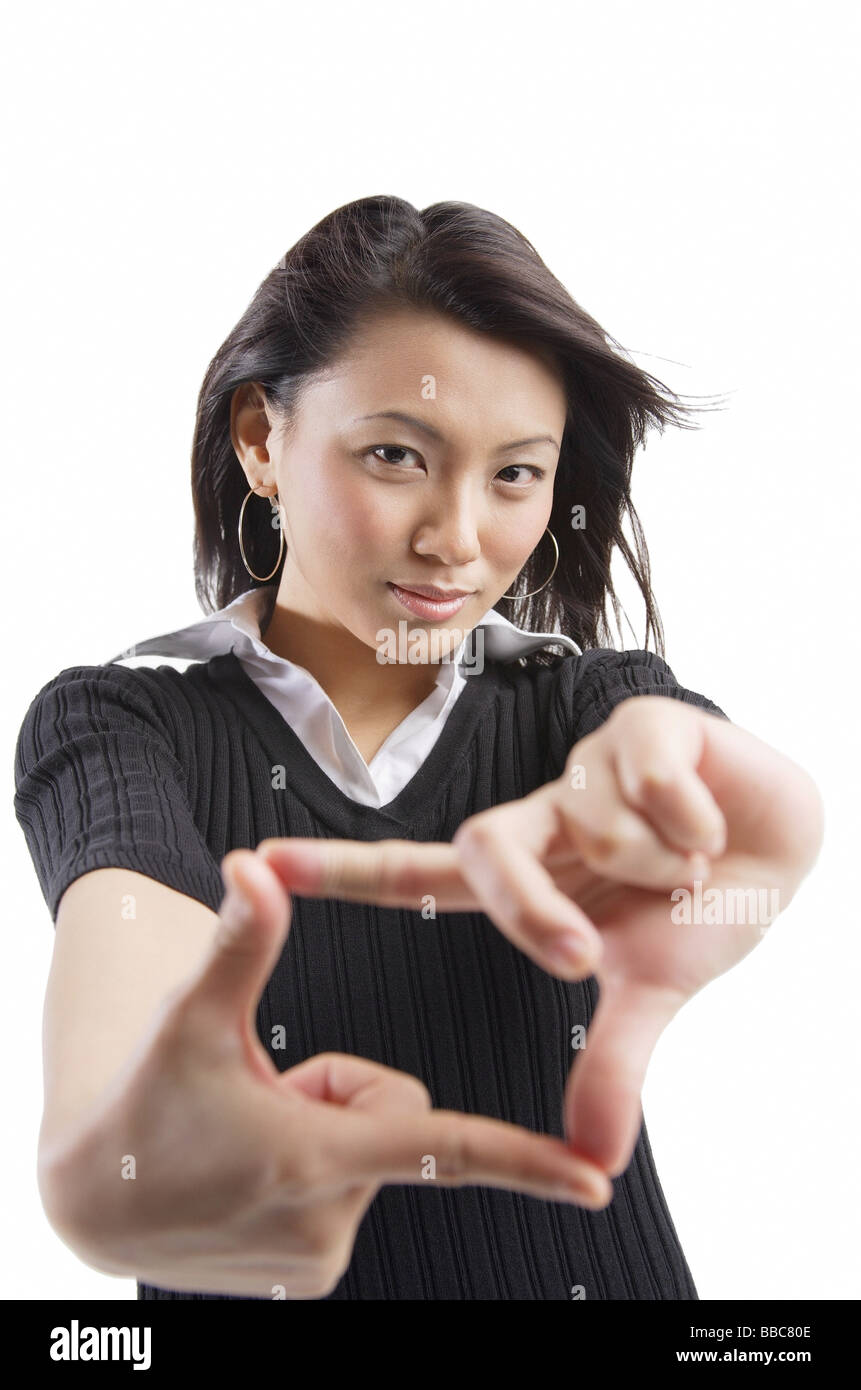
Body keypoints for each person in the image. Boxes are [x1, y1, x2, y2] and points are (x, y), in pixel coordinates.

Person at [13, 195, 824, 1301]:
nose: (456, 538)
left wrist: (693, 807)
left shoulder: (578, 703)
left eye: (514, 475)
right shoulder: (123, 725)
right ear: (262, 438)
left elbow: (662, 752)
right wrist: (124, 1152)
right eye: (396, 454)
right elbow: (130, 961)